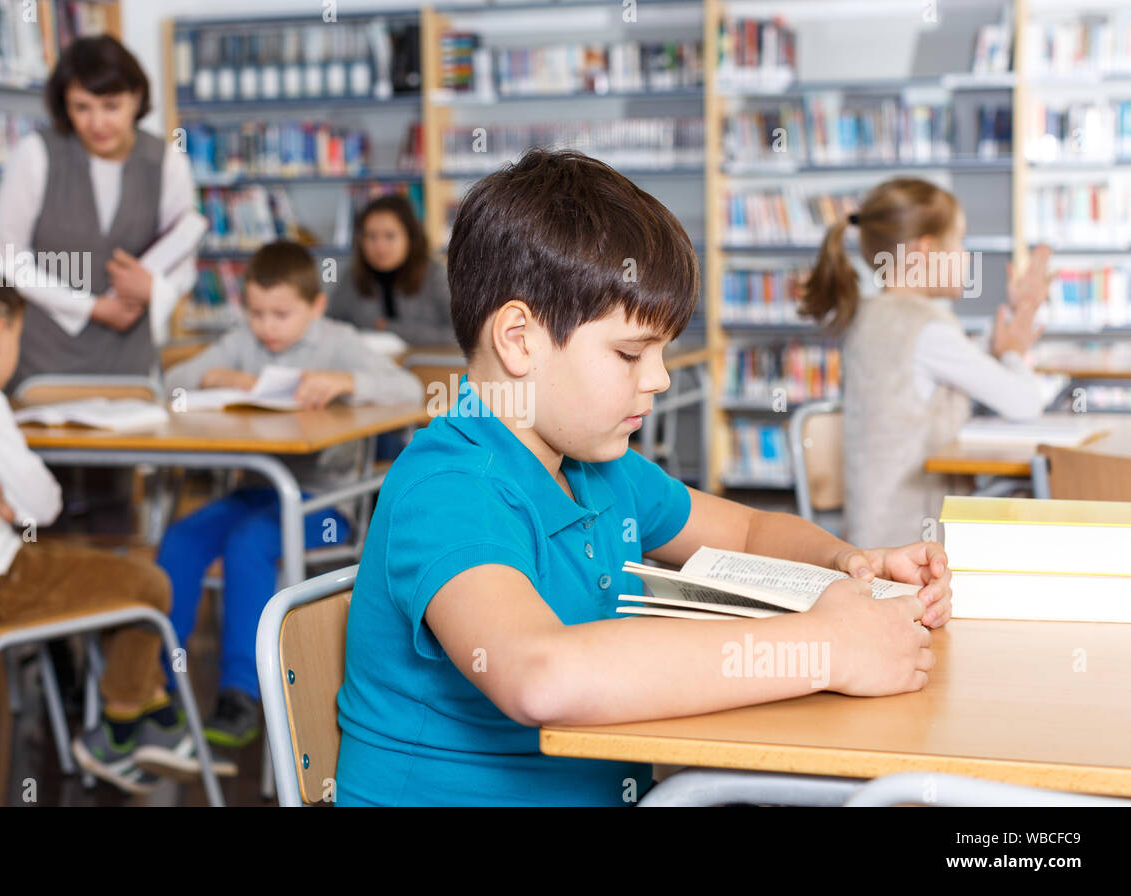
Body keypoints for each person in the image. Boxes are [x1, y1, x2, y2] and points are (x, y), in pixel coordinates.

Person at [334, 150, 952, 807]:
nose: (657, 378)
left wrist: (850, 564)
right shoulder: (449, 489)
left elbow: (745, 529)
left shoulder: (600, 468)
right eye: (630, 353)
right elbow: (538, 676)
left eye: (660, 352)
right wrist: (821, 648)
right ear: (519, 339)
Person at [0, 261, 230, 795]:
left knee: (104, 580)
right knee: (146, 583)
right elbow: (44, 504)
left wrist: (1, 503)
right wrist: (18, 508)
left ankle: (159, 717)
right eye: (20, 337)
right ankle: (117, 733)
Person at [159, 240, 424, 749]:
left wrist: (345, 381)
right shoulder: (243, 341)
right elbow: (171, 383)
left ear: (315, 307)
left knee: (248, 543)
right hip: (257, 492)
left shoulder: (337, 340)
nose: (267, 327)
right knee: (182, 538)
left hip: (323, 505)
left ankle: (241, 694)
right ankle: (161, 687)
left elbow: (409, 390)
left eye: (281, 314)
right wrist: (212, 375)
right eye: (256, 313)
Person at [799, 177, 1059, 547]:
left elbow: (960, 363)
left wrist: (1013, 325)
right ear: (926, 252)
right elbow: (1025, 402)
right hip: (916, 545)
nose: (967, 255)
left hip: (873, 535)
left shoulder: (874, 316)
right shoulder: (925, 328)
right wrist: (1014, 350)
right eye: (961, 241)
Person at [0, 34, 203, 391]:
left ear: (136, 98)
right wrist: (90, 307)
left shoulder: (167, 162)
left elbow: (183, 257)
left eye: (111, 106)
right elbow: (3, 259)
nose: (97, 123)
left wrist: (155, 288)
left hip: (130, 361)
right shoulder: (35, 155)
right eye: (81, 107)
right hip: (44, 361)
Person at [327, 194, 453, 347]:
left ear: (410, 238)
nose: (380, 247)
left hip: (427, 366)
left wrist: (391, 329)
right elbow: (329, 330)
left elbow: (458, 337)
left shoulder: (436, 276)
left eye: (389, 236)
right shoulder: (352, 277)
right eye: (371, 236)